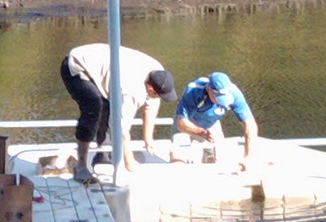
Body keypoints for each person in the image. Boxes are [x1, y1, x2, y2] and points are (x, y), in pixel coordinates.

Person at [60, 43, 178, 182]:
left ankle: (103, 156)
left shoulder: (158, 72)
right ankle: (81, 167)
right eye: (158, 94)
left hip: (104, 66)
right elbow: (121, 128)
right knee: (94, 107)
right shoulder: (131, 90)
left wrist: (148, 139)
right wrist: (129, 162)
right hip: (77, 65)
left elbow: (151, 107)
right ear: (151, 88)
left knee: (108, 108)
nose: (159, 97)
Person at [174, 70, 260, 170]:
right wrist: (200, 132)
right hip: (186, 124)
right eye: (218, 98)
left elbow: (250, 125)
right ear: (208, 89)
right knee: (178, 163)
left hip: (210, 123)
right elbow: (180, 123)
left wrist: (248, 156)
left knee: (212, 161)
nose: (222, 103)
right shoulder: (193, 91)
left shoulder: (234, 93)